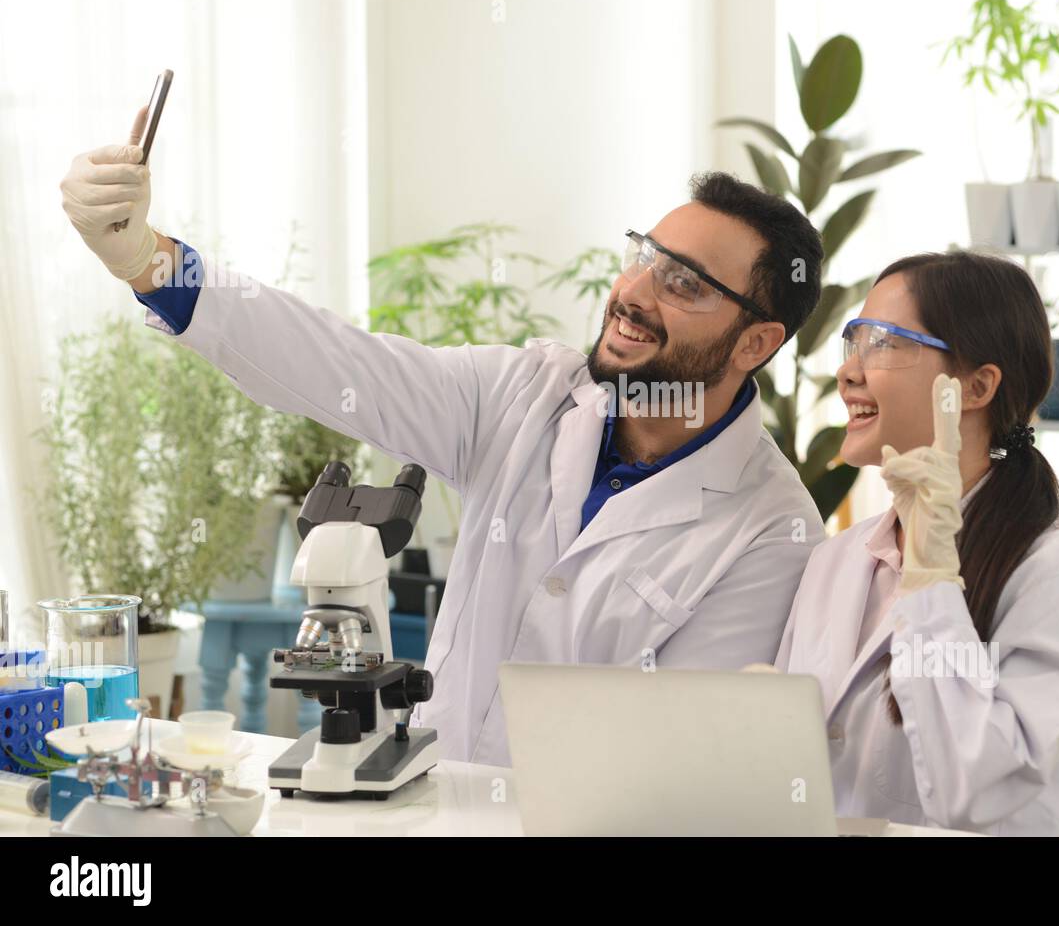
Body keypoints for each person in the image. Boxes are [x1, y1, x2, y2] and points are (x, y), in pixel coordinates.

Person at [59, 114, 826, 765]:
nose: (632, 292)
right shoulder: (523, 395)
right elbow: (337, 365)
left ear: (755, 342)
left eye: (683, 283)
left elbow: (674, 760)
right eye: (643, 257)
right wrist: (152, 262)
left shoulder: (770, 532)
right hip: (431, 811)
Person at [775, 250, 1059, 835]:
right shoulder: (839, 558)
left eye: (883, 343)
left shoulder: (1055, 569)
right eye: (853, 341)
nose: (848, 372)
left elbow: (975, 794)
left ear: (976, 386)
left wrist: (932, 579)